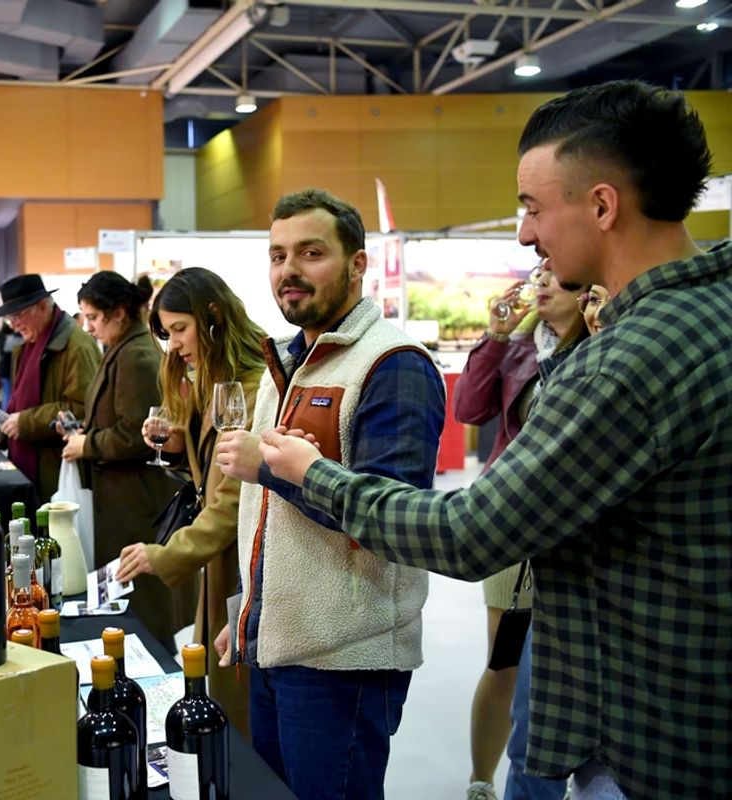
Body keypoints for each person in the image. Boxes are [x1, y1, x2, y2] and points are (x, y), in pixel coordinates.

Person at [250, 80, 730, 798]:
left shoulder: (630, 359)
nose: (524, 235)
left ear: (602, 205)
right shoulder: (704, 313)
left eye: (533, 208)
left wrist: (310, 474)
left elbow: (470, 534)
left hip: (647, 744)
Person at [214, 188, 446, 800]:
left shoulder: (393, 364)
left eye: (311, 253)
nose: (288, 270)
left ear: (358, 264)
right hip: (277, 648)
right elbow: (276, 525)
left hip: (346, 661)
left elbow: (396, 518)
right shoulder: (288, 362)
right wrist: (250, 609)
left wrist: (271, 470)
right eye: (277, 255)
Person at [115, 266, 267, 736]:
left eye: (180, 329)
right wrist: (179, 448)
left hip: (243, 563)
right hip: (219, 560)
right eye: (168, 333)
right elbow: (212, 476)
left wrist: (166, 554)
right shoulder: (215, 379)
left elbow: (233, 500)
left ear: (214, 315)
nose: (174, 344)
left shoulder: (255, 385)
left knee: (238, 703)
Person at [456, 269, 586, 800]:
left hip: (578, 532)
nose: (545, 283)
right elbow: (468, 409)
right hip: (514, 523)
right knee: (506, 660)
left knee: (559, 670)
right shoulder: (519, 348)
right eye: (541, 274)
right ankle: (483, 779)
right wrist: (496, 335)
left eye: (562, 277)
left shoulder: (604, 348)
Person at [61, 272, 194, 646]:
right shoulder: (123, 349)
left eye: (93, 318)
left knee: (145, 606)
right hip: (124, 499)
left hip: (136, 502)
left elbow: (135, 433)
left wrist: (87, 445)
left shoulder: (135, 355)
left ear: (119, 313)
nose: (87, 327)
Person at [0, 274, 100, 504]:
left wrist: (25, 422)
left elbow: (82, 408)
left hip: (59, 467)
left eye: (18, 315)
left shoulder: (76, 346)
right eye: (10, 318)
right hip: (34, 462)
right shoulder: (28, 345)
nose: (13, 324)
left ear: (42, 307)